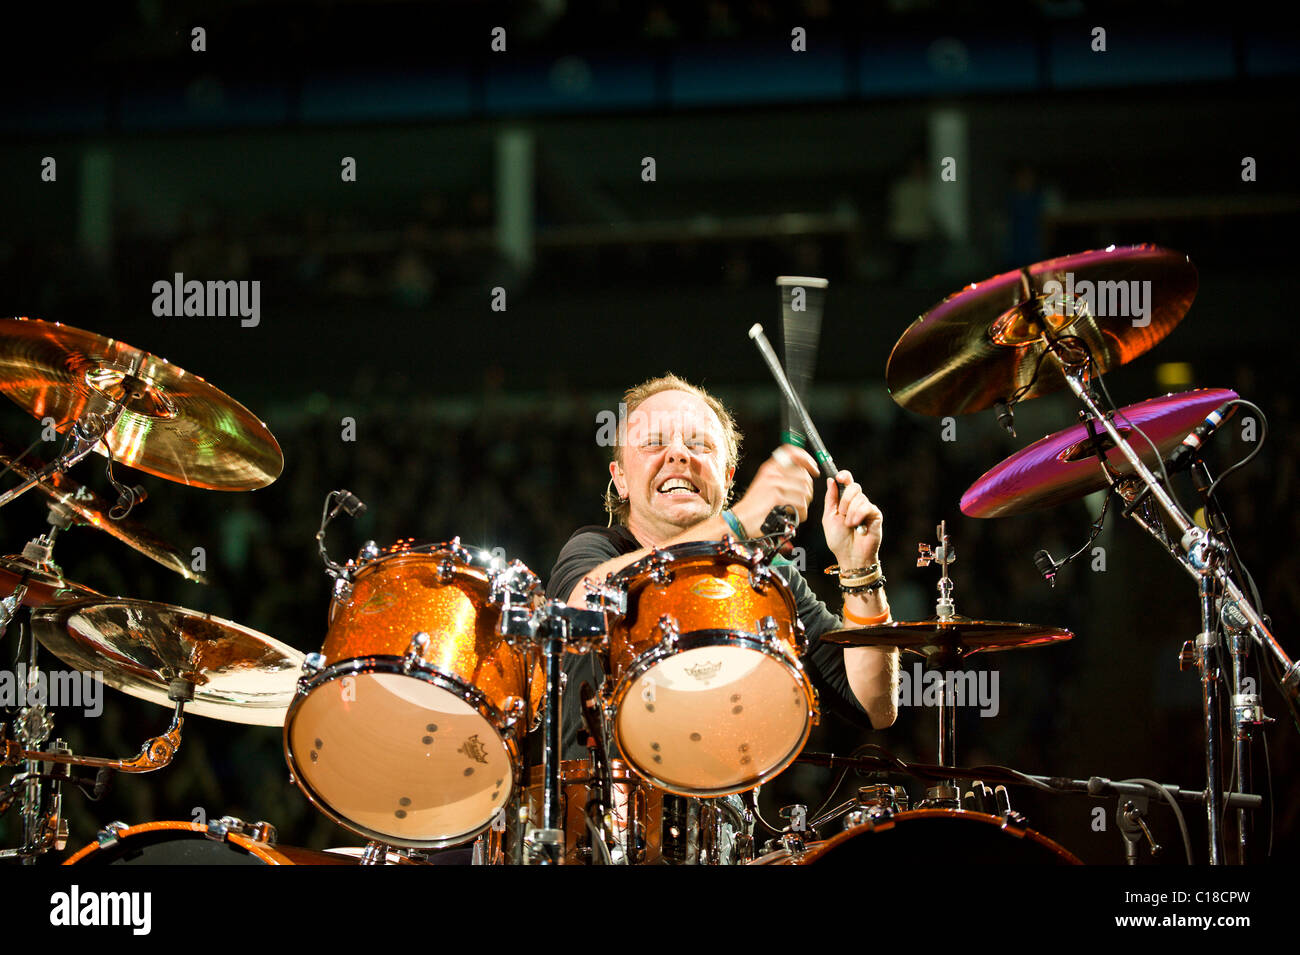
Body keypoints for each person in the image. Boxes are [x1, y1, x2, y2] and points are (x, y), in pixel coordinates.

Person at [546, 373, 898, 763]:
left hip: (720, 819)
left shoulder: (766, 576)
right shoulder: (594, 550)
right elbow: (581, 608)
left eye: (699, 444)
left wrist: (859, 566)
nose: (679, 454)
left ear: (727, 478)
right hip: (595, 815)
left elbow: (875, 705)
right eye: (653, 443)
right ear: (622, 479)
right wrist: (738, 522)